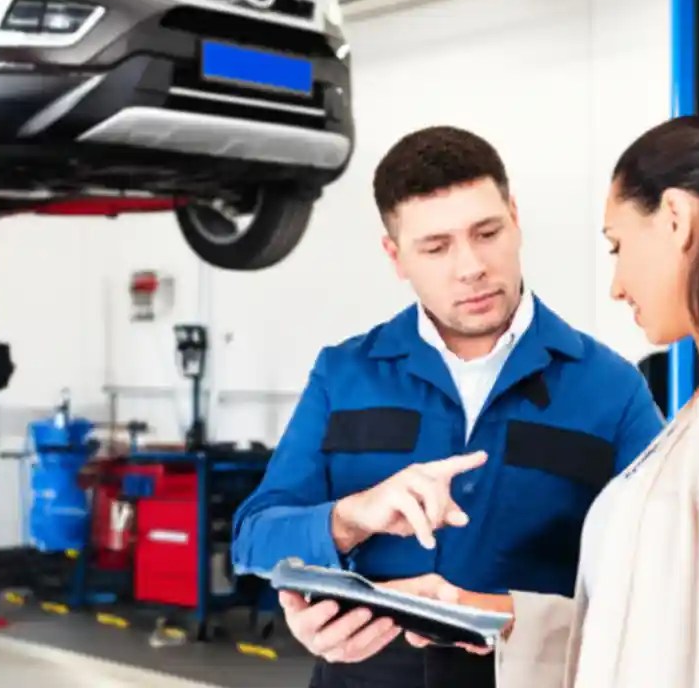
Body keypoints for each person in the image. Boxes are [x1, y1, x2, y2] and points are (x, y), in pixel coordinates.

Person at [388, 113, 699, 688]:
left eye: (617, 245)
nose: (616, 286)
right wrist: (481, 613)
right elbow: (655, 631)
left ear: (675, 219)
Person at [229, 125, 665, 688]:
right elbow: (254, 537)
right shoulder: (344, 374)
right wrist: (351, 518)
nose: (470, 267)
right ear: (396, 256)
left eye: (487, 232)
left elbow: (654, 575)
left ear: (515, 218)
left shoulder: (612, 388)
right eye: (436, 247)